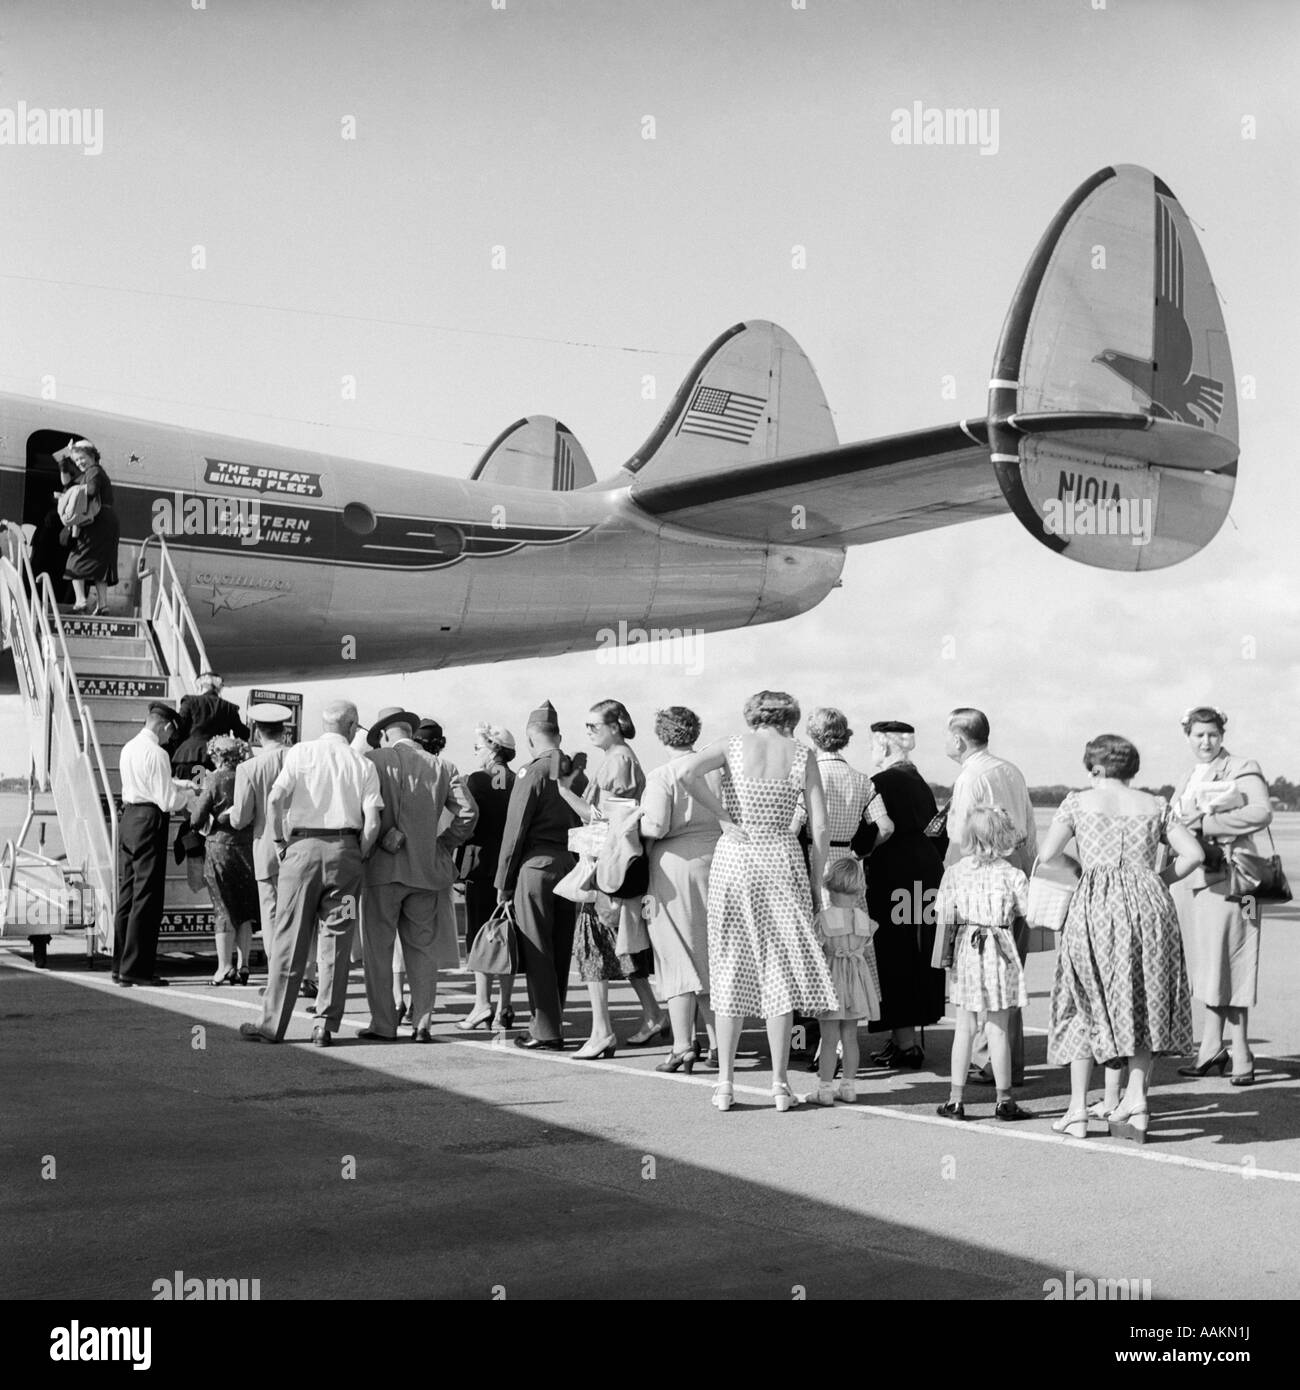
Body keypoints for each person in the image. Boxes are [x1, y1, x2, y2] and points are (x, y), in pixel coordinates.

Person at [678, 691, 839, 1113]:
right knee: (779, 975)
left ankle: (726, 1084)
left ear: (753, 715)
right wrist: (819, 881)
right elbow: (820, 827)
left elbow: (686, 774)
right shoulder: (803, 754)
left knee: (730, 966)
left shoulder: (732, 745)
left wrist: (724, 816)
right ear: (789, 718)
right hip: (781, 859)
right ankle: (780, 1084)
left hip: (737, 858)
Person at [1041, 735, 1202, 1141]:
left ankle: (1077, 1111)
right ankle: (1136, 1101)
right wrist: (1156, 879)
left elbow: (1047, 855)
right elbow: (1195, 855)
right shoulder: (1156, 805)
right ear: (1132, 769)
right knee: (1143, 997)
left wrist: (1080, 866)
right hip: (1150, 905)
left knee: (1081, 998)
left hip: (1096, 904)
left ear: (1095, 768)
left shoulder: (1077, 802)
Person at [239, 700, 382, 1045]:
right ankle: (325, 1025)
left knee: (289, 937)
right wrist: (356, 854)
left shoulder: (300, 753)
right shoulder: (363, 764)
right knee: (338, 938)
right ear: (351, 727)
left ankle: (272, 1024)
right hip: (345, 855)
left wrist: (278, 841)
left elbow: (275, 800)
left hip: (300, 853)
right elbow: (373, 821)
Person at [358, 707, 477, 1043]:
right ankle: (422, 1022)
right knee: (422, 949)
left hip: (381, 869)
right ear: (410, 731)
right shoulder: (443, 766)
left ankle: (384, 1024)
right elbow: (468, 813)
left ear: (383, 733)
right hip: (426, 870)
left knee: (379, 950)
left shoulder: (373, 760)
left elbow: (361, 809)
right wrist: (442, 843)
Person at [1169, 706, 1273, 1087]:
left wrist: (1205, 821)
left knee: (1237, 960)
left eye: (1212, 734)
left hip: (1238, 882)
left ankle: (1242, 1052)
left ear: (1222, 735)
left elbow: (1262, 812)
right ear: (1188, 736)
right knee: (1212, 966)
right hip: (1198, 881)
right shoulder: (1187, 775)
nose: (1206, 742)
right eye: (1198, 735)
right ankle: (1212, 1048)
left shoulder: (1242, 766)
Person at [557, 699, 666, 1057]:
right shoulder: (622, 758)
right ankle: (650, 1014)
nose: (588, 732)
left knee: (591, 945)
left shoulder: (618, 761)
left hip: (609, 867)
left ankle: (602, 1031)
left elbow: (603, 820)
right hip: (615, 865)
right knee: (619, 945)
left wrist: (564, 791)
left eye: (594, 725)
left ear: (614, 726)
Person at [944, 707, 1037, 1087]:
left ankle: (984, 1061)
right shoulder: (1010, 769)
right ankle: (1008, 1063)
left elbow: (960, 837)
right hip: (1012, 868)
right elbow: (1030, 827)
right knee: (1009, 970)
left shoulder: (970, 777)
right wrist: (1025, 872)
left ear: (959, 739)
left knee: (976, 973)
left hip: (977, 873)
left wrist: (949, 883)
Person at [934, 807, 1033, 1122]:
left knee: (964, 1027)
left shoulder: (955, 871)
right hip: (1000, 948)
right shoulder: (1013, 874)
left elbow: (943, 913)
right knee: (998, 1029)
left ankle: (956, 1100)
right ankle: (1004, 1100)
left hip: (968, 947)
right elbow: (1028, 912)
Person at [856, 720, 945, 1070]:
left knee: (895, 957)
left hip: (894, 880)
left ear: (885, 746)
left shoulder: (882, 782)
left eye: (874, 745)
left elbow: (867, 833)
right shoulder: (917, 780)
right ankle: (903, 1038)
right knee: (918, 955)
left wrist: (859, 850)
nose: (871, 751)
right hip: (925, 878)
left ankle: (906, 1043)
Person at [638, 706, 722, 1073]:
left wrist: (630, 821)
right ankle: (720, 1042)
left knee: (675, 954)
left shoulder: (662, 775)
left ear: (662, 735)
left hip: (673, 866)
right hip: (717, 857)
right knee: (712, 951)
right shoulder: (716, 771)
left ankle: (682, 1044)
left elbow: (655, 825)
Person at [495, 700, 581, 1051]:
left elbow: (514, 832)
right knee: (560, 949)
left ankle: (545, 1030)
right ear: (559, 735)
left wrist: (503, 881)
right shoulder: (577, 771)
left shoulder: (531, 772)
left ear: (532, 739)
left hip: (536, 867)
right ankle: (553, 1021)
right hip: (571, 865)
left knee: (538, 950)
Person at [115, 703, 196, 986]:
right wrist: (190, 796)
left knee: (127, 894)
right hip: (150, 821)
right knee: (147, 898)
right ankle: (137, 969)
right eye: (171, 733)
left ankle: (121, 965)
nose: (170, 739)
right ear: (165, 726)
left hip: (129, 820)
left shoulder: (129, 747)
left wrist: (179, 783)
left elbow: (150, 782)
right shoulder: (159, 753)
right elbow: (167, 801)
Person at [227, 703, 307, 990]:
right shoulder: (301, 759)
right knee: (303, 913)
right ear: (284, 731)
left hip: (266, 852)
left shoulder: (249, 768)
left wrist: (229, 815)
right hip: (302, 845)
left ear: (257, 733)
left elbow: (241, 818)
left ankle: (278, 980)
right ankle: (307, 975)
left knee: (272, 917)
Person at [456, 722, 518, 1032]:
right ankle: (505, 1006)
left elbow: (465, 820)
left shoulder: (476, 780)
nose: (475, 753)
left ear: (493, 749)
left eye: (479, 747)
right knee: (506, 935)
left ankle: (482, 1003)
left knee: (480, 935)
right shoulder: (519, 780)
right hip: (510, 869)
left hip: (480, 866)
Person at [806, 857, 880, 1106]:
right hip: (856, 982)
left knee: (828, 1039)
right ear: (860, 887)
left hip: (831, 981)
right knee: (850, 1037)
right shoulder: (864, 922)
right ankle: (848, 1086)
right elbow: (867, 950)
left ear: (828, 884)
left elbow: (815, 951)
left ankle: (825, 1088)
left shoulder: (822, 919)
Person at [190, 735, 260, 985]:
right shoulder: (249, 775)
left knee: (223, 908)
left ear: (217, 755)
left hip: (220, 849)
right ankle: (244, 966)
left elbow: (197, 818)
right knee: (245, 910)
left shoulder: (214, 779)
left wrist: (208, 820)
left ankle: (223, 967)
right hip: (248, 848)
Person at [54, 439, 119, 615]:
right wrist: (65, 467)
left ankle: (81, 601)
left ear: (92, 456)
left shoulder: (94, 471)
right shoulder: (92, 472)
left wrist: (71, 496)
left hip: (99, 522)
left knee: (75, 561)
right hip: (106, 521)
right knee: (101, 564)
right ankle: (103, 606)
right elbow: (68, 482)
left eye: (82, 458)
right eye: (76, 461)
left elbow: (90, 491)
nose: (79, 463)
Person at [173, 672, 250, 774]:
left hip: (187, 756)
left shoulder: (190, 701)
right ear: (218, 688)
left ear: (200, 685)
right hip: (217, 759)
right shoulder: (229, 707)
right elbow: (242, 733)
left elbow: (180, 729)